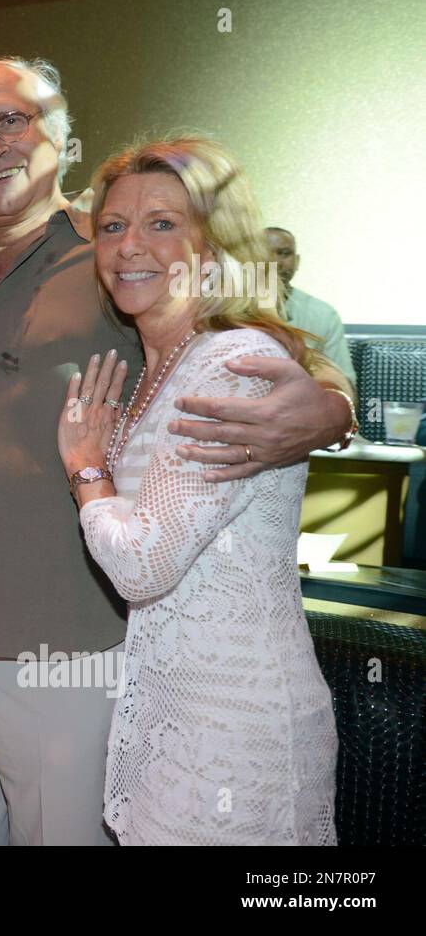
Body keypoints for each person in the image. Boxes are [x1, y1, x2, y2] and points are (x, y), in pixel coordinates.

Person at [0, 57, 356, 845]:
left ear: (62, 137)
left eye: (14, 121)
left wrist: (330, 406)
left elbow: (278, 341)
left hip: (58, 646)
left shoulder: (119, 264)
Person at [57, 135, 338, 844]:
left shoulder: (231, 363)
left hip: (236, 730)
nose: (128, 246)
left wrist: (87, 469)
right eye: (113, 226)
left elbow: (143, 563)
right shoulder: (158, 365)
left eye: (162, 223)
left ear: (212, 249)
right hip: (170, 714)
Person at [266, 226, 356, 387]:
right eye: (265, 254)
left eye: (285, 253)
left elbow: (344, 382)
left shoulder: (323, 314)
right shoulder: (226, 309)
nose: (276, 262)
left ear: (297, 261)